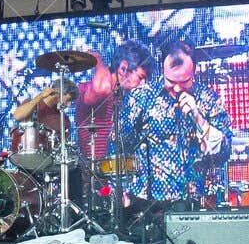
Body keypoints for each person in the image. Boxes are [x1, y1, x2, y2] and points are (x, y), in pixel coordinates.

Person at [121, 39, 231, 202]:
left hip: (191, 201)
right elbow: (119, 144)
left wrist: (199, 119)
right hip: (144, 200)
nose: (177, 88)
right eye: (171, 82)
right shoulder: (141, 97)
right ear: (163, 70)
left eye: (184, 82)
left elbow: (224, 153)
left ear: (194, 71)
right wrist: (121, 190)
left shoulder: (208, 99)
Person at [76, 40, 152, 164]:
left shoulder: (125, 100)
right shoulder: (87, 89)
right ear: (123, 68)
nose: (143, 83)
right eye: (140, 77)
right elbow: (102, 88)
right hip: (92, 172)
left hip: (119, 170)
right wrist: (97, 59)